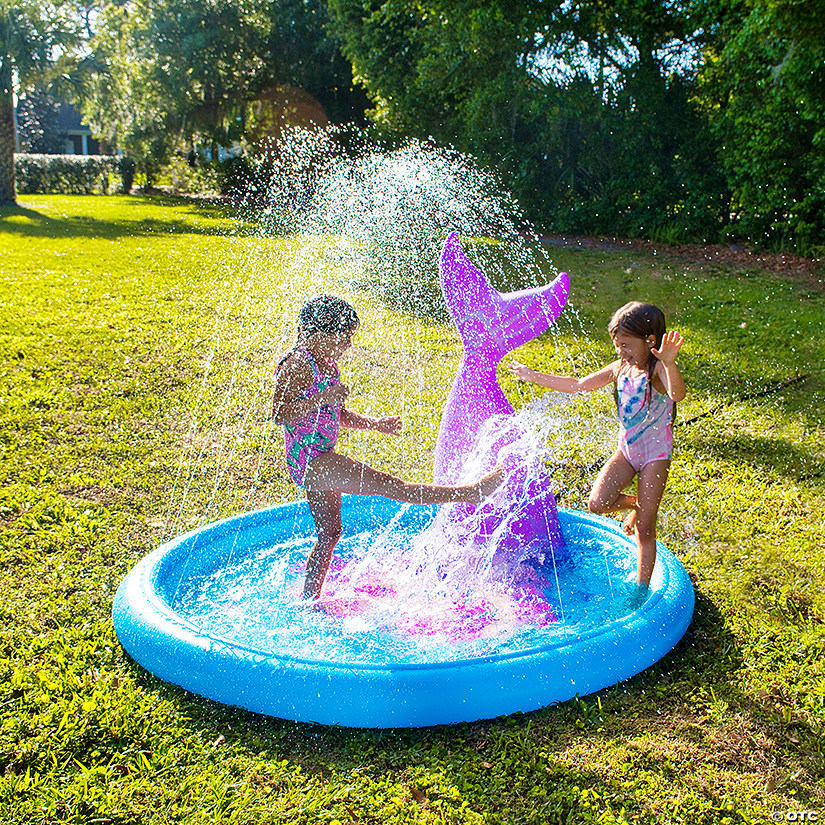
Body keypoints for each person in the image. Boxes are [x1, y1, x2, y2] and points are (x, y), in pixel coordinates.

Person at [272, 295, 506, 601]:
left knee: (329, 534)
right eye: (343, 338)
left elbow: (332, 415)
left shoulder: (324, 363)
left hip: (316, 458)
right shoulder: (297, 365)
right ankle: (469, 493)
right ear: (320, 334)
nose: (347, 346)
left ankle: (308, 600)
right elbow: (280, 414)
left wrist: (374, 423)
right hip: (312, 460)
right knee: (392, 487)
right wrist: (324, 397)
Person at [508, 301, 685, 597]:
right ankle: (638, 504)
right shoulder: (620, 369)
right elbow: (578, 384)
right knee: (598, 503)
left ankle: (640, 589)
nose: (621, 352)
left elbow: (678, 394)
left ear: (650, 341)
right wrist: (532, 375)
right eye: (618, 345)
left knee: (645, 528)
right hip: (626, 451)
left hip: (655, 456)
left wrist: (669, 362)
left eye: (627, 345)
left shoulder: (657, 371)